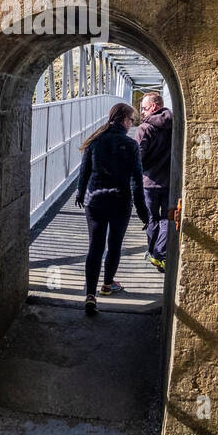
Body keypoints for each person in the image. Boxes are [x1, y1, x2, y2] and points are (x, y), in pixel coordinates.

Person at [75, 102, 150, 317]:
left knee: (95, 246)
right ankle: (107, 285)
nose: (131, 124)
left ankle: (90, 295)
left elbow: (84, 171)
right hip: (119, 200)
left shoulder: (95, 141)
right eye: (131, 121)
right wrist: (143, 212)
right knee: (114, 244)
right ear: (125, 120)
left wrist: (81, 193)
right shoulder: (130, 145)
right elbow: (136, 182)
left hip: (95, 200)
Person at [136, 91, 172, 272]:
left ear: (154, 107)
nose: (142, 113)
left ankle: (153, 253)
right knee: (166, 219)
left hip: (149, 182)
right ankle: (161, 254)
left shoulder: (145, 128)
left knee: (152, 219)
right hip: (168, 181)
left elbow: (137, 157)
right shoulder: (174, 124)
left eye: (144, 108)